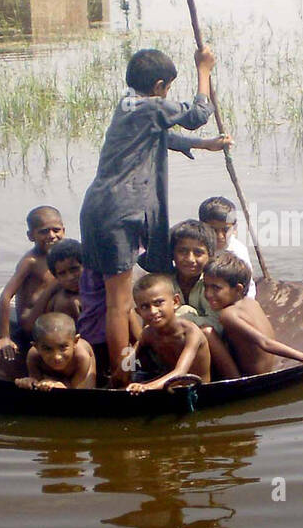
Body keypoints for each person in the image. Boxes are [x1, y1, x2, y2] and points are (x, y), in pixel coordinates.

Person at [79, 46, 230, 387]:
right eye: (168, 88)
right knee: (118, 304)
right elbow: (198, 112)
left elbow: (162, 135)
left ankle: (131, 359)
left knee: (116, 297)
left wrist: (203, 145)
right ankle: (122, 374)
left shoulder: (128, 105)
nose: (168, 95)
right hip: (120, 211)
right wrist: (203, 69)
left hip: (101, 208)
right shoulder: (152, 106)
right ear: (160, 86)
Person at [202, 253, 303, 376]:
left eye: (216, 288)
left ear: (238, 289)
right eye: (205, 287)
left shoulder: (228, 314)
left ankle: (233, 378)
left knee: (207, 332)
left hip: (249, 374)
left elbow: (265, 342)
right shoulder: (251, 303)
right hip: (266, 366)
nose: (208, 294)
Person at [0, 206, 65, 362]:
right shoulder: (31, 261)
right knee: (65, 301)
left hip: (51, 316)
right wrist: (4, 336)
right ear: (30, 236)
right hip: (32, 321)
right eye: (44, 231)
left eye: (56, 230)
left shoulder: (64, 255)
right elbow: (6, 296)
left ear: (63, 231)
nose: (51, 236)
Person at [126, 274, 211, 394]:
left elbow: (180, 373)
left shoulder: (191, 333)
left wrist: (146, 387)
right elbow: (127, 364)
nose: (153, 311)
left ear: (175, 302)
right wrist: (122, 377)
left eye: (158, 303)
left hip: (196, 390)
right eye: (145, 307)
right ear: (138, 312)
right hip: (168, 387)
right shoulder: (148, 334)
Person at [14, 313, 97, 390]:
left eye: (63, 347)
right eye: (47, 349)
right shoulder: (33, 356)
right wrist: (29, 382)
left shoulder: (82, 357)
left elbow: (76, 388)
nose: (57, 357)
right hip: (52, 375)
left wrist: (61, 385)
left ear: (75, 341)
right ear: (36, 347)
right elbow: (38, 384)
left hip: (79, 376)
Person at [198, 196, 256, 297]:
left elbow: (248, 286)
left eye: (225, 230)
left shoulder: (237, 250)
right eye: (213, 230)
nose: (220, 236)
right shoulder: (197, 245)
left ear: (235, 228)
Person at [168, 219, 217, 328]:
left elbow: (216, 324)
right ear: (172, 254)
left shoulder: (212, 284)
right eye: (182, 251)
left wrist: (182, 319)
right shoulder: (165, 282)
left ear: (210, 256)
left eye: (198, 253)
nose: (190, 259)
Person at [40, 239, 84, 321]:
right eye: (62, 273)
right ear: (56, 277)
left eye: (74, 269)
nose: (70, 277)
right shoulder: (62, 303)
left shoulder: (97, 289)